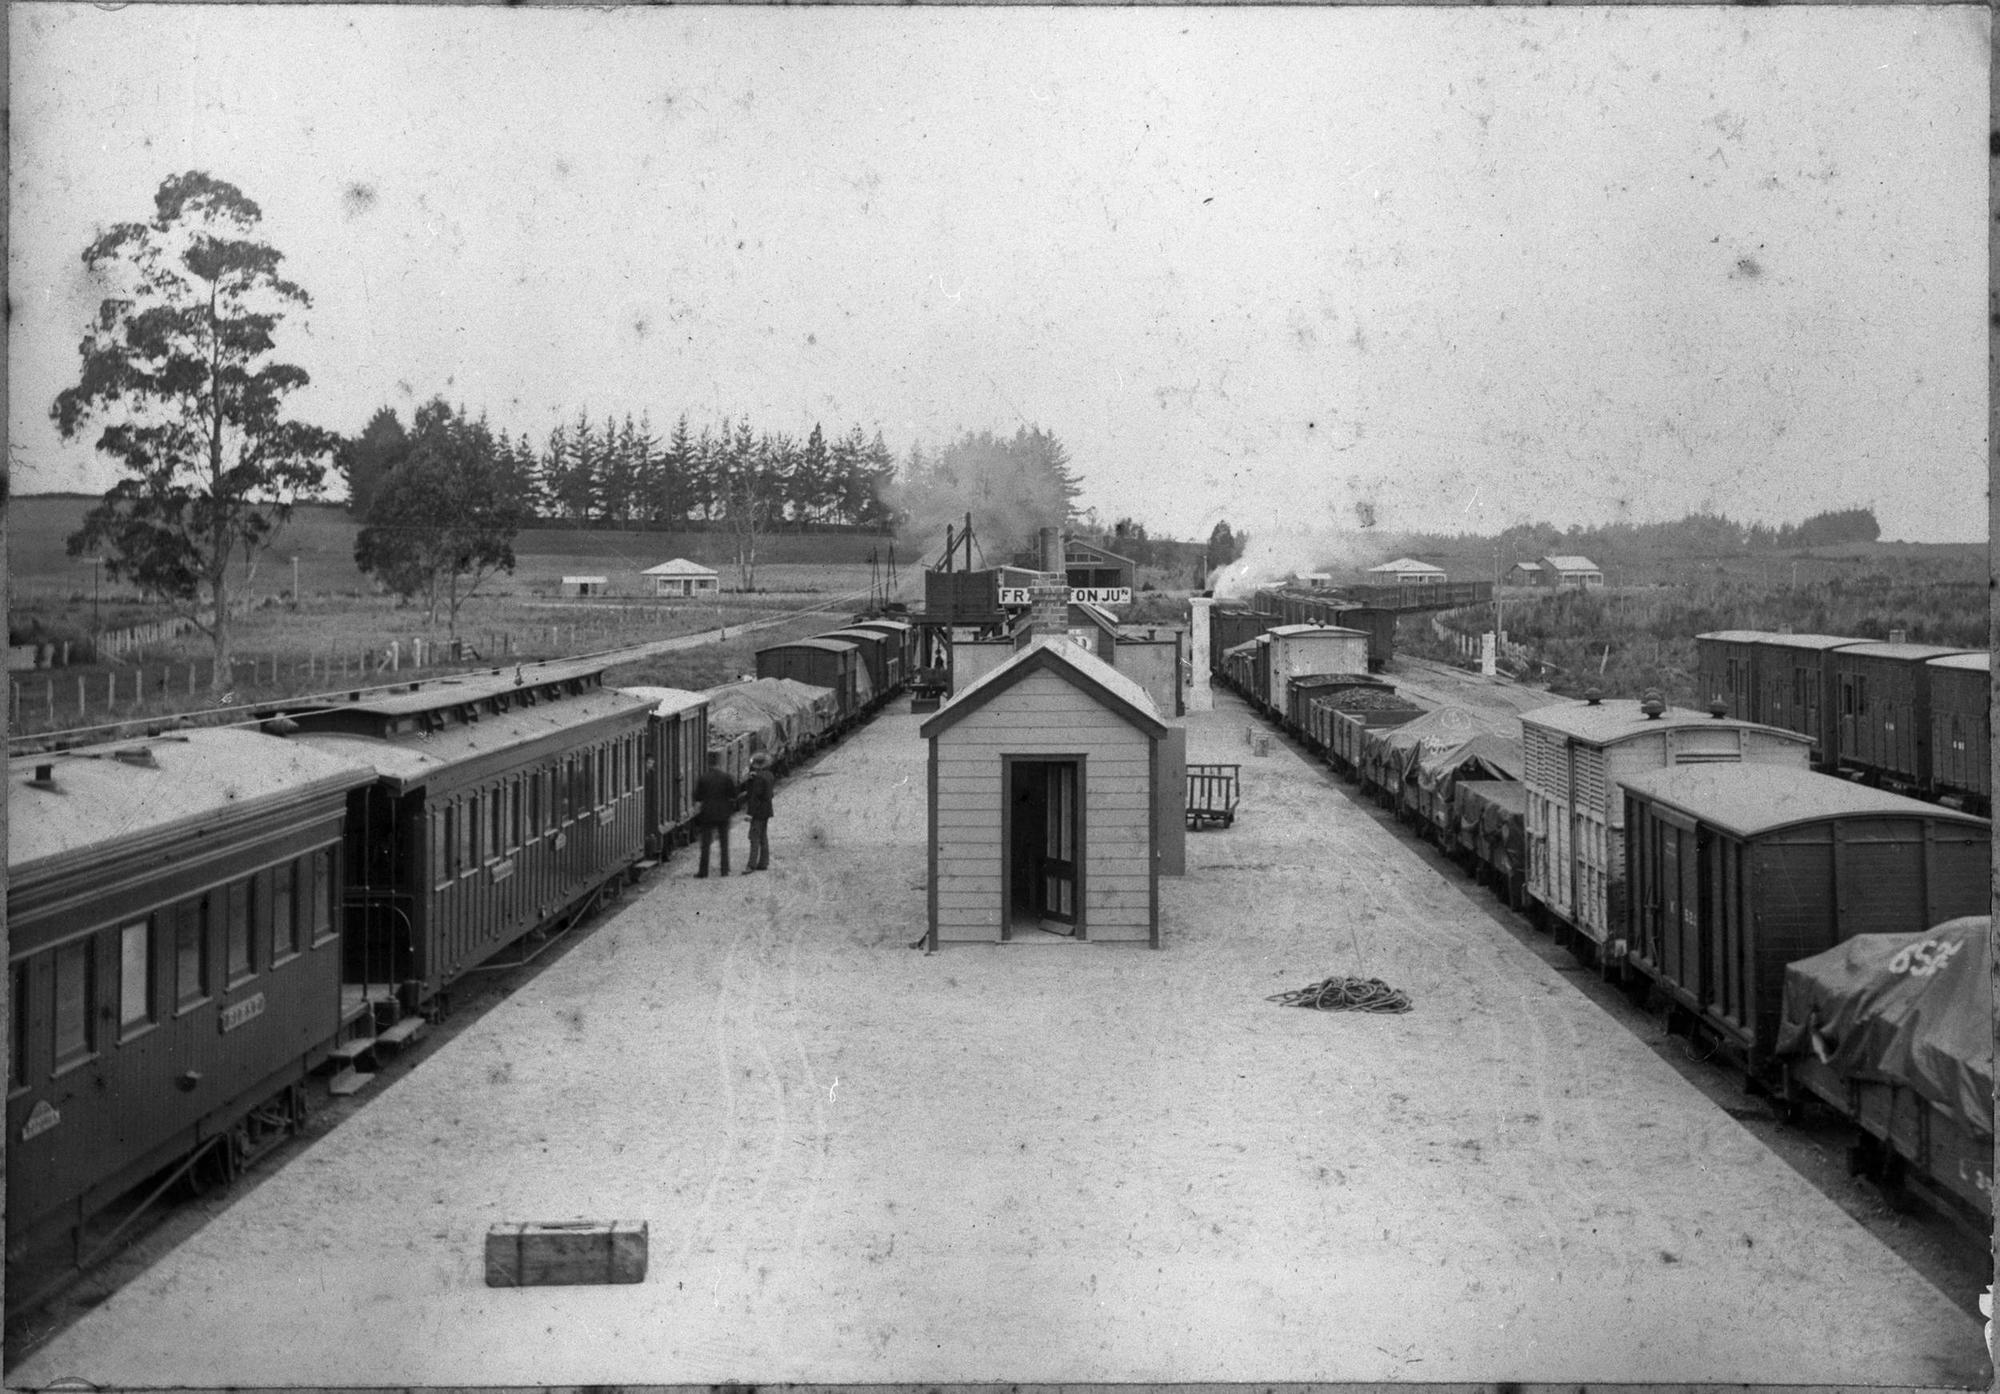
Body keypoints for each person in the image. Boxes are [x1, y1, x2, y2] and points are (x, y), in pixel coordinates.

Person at [692, 752, 738, 877]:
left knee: (705, 845)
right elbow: (734, 794)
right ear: (719, 762)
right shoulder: (726, 777)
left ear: (708, 763)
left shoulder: (703, 778)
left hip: (707, 814)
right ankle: (724, 870)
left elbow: (697, 796)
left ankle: (703, 872)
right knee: (724, 843)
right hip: (723, 814)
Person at [742, 752, 775, 871]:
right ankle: (764, 863)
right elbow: (770, 794)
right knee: (763, 837)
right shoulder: (769, 775)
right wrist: (753, 779)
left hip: (758, 812)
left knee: (754, 837)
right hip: (767, 810)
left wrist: (749, 814)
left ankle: (751, 865)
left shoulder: (759, 778)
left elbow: (754, 797)